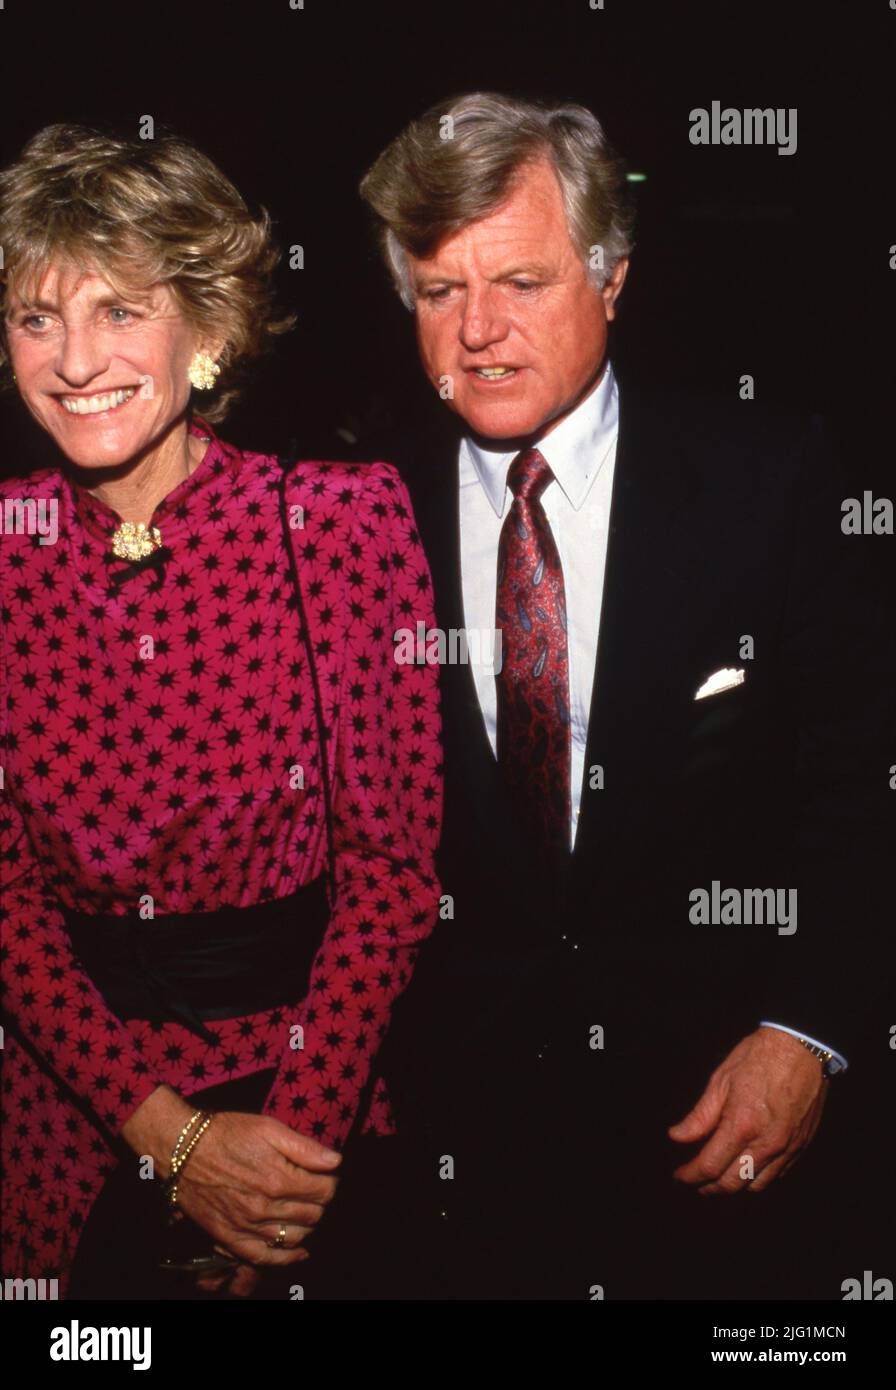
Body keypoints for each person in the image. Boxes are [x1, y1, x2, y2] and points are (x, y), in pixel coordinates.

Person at [358, 92, 894, 1298]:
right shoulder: (352, 504)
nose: (478, 332)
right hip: (439, 1160)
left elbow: (859, 785)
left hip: (714, 1124)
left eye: (522, 283)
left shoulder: (770, 477)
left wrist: (809, 1028)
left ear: (611, 278)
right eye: (439, 293)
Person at [0, 123, 443, 1300]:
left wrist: (272, 1173)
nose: (75, 359)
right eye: (38, 317)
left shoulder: (337, 526)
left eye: (121, 310)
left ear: (208, 330)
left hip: (303, 1095)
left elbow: (391, 878)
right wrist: (166, 1137)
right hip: (65, 1119)